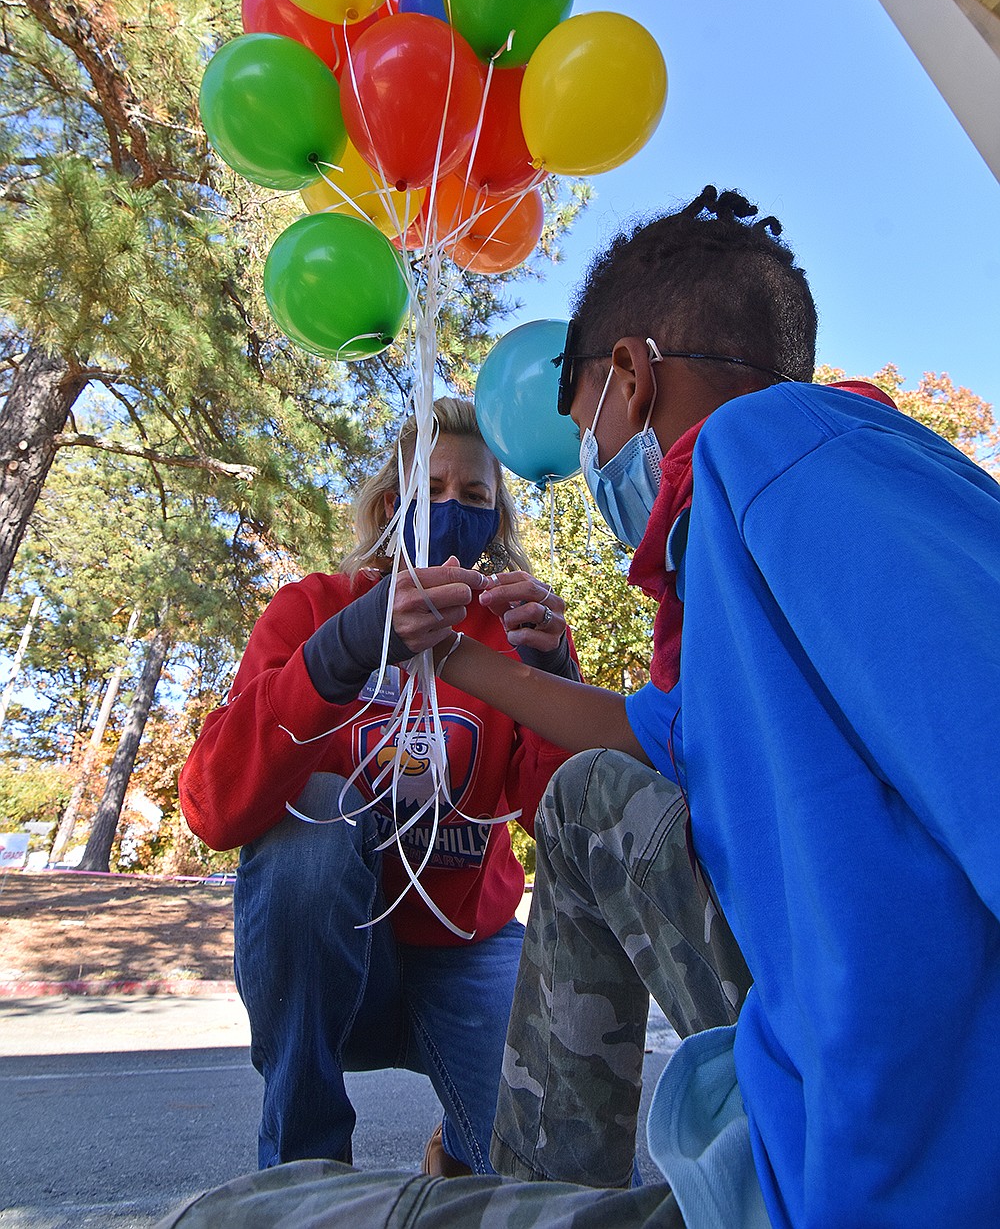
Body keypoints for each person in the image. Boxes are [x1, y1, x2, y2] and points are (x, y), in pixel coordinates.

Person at [161, 185, 1000, 1228]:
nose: (592, 468)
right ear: (388, 502)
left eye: (578, 436)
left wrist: (536, 660)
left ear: (634, 381)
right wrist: (372, 655)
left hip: (870, 1165)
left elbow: (575, 788)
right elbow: (646, 739)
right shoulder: (724, 561)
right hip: (824, 1139)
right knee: (355, 840)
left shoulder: (765, 460)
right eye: (443, 491)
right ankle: (313, 1148)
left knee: (231, 1218)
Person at [179, 397, 576, 1179]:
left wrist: (559, 686)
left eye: (476, 498)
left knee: (567, 1170)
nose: (454, 512)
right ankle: (304, 1170)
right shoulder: (314, 609)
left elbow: (556, 823)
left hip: (467, 947)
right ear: (393, 505)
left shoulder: (510, 628)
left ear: (495, 520)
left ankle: (463, 1157)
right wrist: (339, 655)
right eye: (434, 491)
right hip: (331, 954)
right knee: (317, 812)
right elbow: (213, 807)